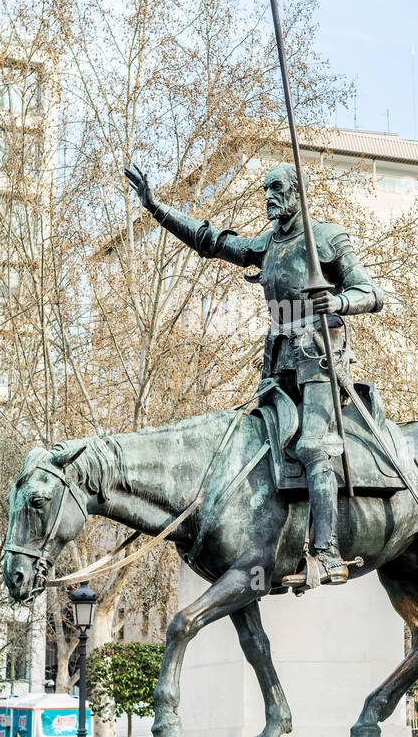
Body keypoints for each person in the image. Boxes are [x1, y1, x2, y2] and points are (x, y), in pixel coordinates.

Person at [124, 163, 384, 585]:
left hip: (319, 357)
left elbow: (371, 293)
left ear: (298, 190)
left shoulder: (326, 237)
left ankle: (328, 551)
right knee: (251, 444)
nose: (268, 196)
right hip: (278, 358)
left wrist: (337, 304)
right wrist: (156, 208)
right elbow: (210, 240)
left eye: (276, 188)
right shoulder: (267, 245)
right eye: (265, 189)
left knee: (315, 447)